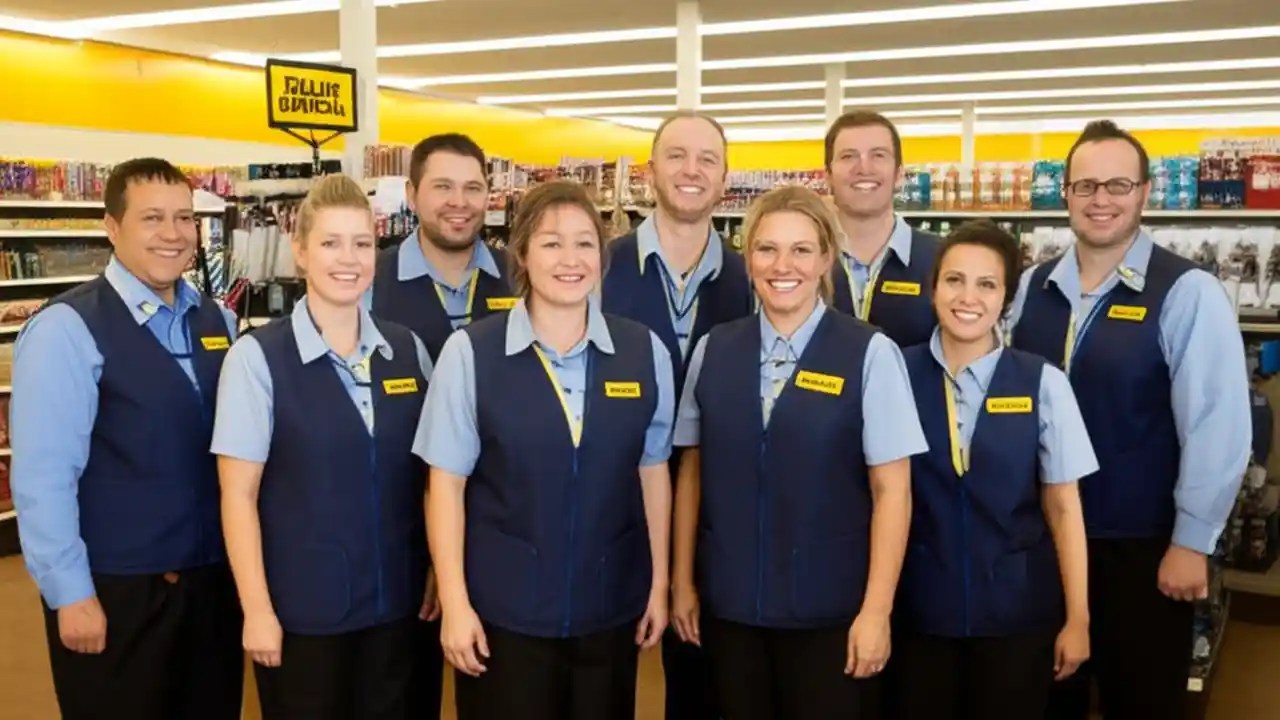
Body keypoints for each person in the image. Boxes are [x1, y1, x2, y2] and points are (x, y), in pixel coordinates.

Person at [1006, 120, 1251, 719]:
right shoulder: (1032, 287)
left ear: (1145, 192)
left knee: (1140, 698)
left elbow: (1217, 424)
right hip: (1041, 542)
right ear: (1063, 193)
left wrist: (1192, 541)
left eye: (1118, 184)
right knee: (1047, 697)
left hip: (1139, 547)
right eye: (1085, 185)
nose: (1101, 200)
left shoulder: (1187, 291)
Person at [419, 180, 675, 720]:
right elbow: (445, 484)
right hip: (504, 616)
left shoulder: (643, 351)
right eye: (551, 242)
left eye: (585, 243)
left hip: (609, 606)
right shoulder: (471, 354)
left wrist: (658, 583)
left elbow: (652, 472)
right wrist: (456, 603)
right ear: (522, 254)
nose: (570, 259)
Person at [670, 185, 926, 719]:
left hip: (829, 611)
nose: (782, 265)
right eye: (766, 249)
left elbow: (893, 490)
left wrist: (877, 612)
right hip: (731, 605)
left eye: (801, 250)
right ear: (748, 258)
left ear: (825, 259)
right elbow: (692, 473)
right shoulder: (714, 349)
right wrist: (682, 582)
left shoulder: (869, 353)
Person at [10, 157, 243, 719]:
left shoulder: (218, 322)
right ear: (112, 228)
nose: (173, 234)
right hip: (119, 592)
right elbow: (43, 476)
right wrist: (70, 593)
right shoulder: (66, 330)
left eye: (184, 219)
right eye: (152, 218)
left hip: (212, 584)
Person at [212, 174, 434, 719]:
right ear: (301, 251)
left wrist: (435, 571)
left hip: (398, 609)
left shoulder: (407, 352)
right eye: (330, 243)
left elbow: (429, 478)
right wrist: (257, 610)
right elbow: (237, 497)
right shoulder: (256, 361)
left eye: (361, 243)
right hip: (304, 616)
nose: (348, 258)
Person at [889, 220, 1094, 719]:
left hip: (1017, 616)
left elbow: (1064, 508)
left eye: (987, 284)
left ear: (1005, 296)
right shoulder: (892, 372)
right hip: (919, 613)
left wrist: (1079, 619)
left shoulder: (1043, 383)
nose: (968, 297)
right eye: (955, 280)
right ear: (933, 287)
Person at [601, 111, 753, 720]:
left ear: (724, 178)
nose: (691, 170)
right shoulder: (598, 268)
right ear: (650, 171)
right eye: (676, 156)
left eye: (707, 159)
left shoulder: (757, 276)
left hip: (724, 512)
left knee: (712, 676)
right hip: (613, 506)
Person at [369, 132, 516, 362]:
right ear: (411, 195)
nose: (459, 201)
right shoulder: (370, 281)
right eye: (443, 186)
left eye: (473, 188)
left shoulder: (521, 276)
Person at [824, 110, 941, 348]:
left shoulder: (942, 258)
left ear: (899, 174)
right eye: (848, 156)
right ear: (828, 176)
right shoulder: (800, 259)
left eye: (878, 155)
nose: (863, 168)